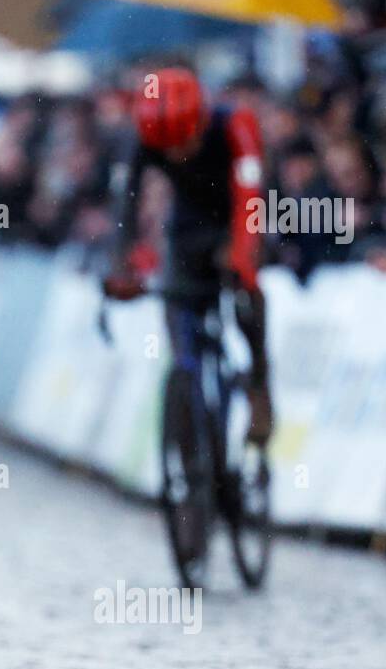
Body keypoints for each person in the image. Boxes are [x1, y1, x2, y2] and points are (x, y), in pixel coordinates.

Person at [103, 66, 273, 444]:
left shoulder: (236, 124)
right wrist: (119, 265)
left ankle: (260, 387)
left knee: (247, 293)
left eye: (186, 142)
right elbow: (124, 204)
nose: (178, 155)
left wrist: (242, 253)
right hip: (189, 223)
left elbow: (251, 195)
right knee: (175, 298)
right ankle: (186, 381)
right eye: (168, 150)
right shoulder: (142, 137)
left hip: (243, 213)